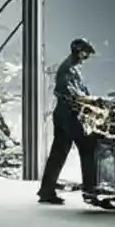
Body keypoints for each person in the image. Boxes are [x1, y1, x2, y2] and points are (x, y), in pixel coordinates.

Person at [39, 38, 99, 205]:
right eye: (85, 52)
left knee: (58, 155)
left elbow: (81, 93)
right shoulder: (68, 69)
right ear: (78, 51)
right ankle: (90, 190)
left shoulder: (72, 68)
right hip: (68, 118)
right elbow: (72, 94)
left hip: (66, 117)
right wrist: (90, 101)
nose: (86, 56)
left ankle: (46, 190)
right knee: (88, 149)